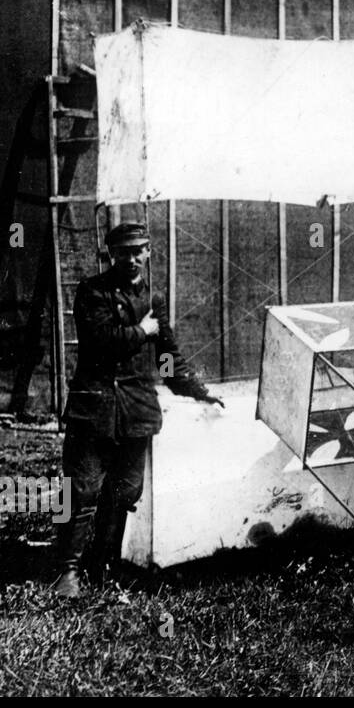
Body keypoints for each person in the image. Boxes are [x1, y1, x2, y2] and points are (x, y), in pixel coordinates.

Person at [53, 222, 221, 598]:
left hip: (136, 410)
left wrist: (196, 389)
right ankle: (67, 572)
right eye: (123, 252)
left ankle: (103, 566)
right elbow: (99, 342)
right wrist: (142, 331)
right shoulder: (91, 291)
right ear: (111, 254)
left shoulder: (153, 299)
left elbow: (166, 357)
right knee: (81, 491)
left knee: (125, 492)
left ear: (149, 252)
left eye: (138, 250)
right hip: (94, 407)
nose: (131, 259)